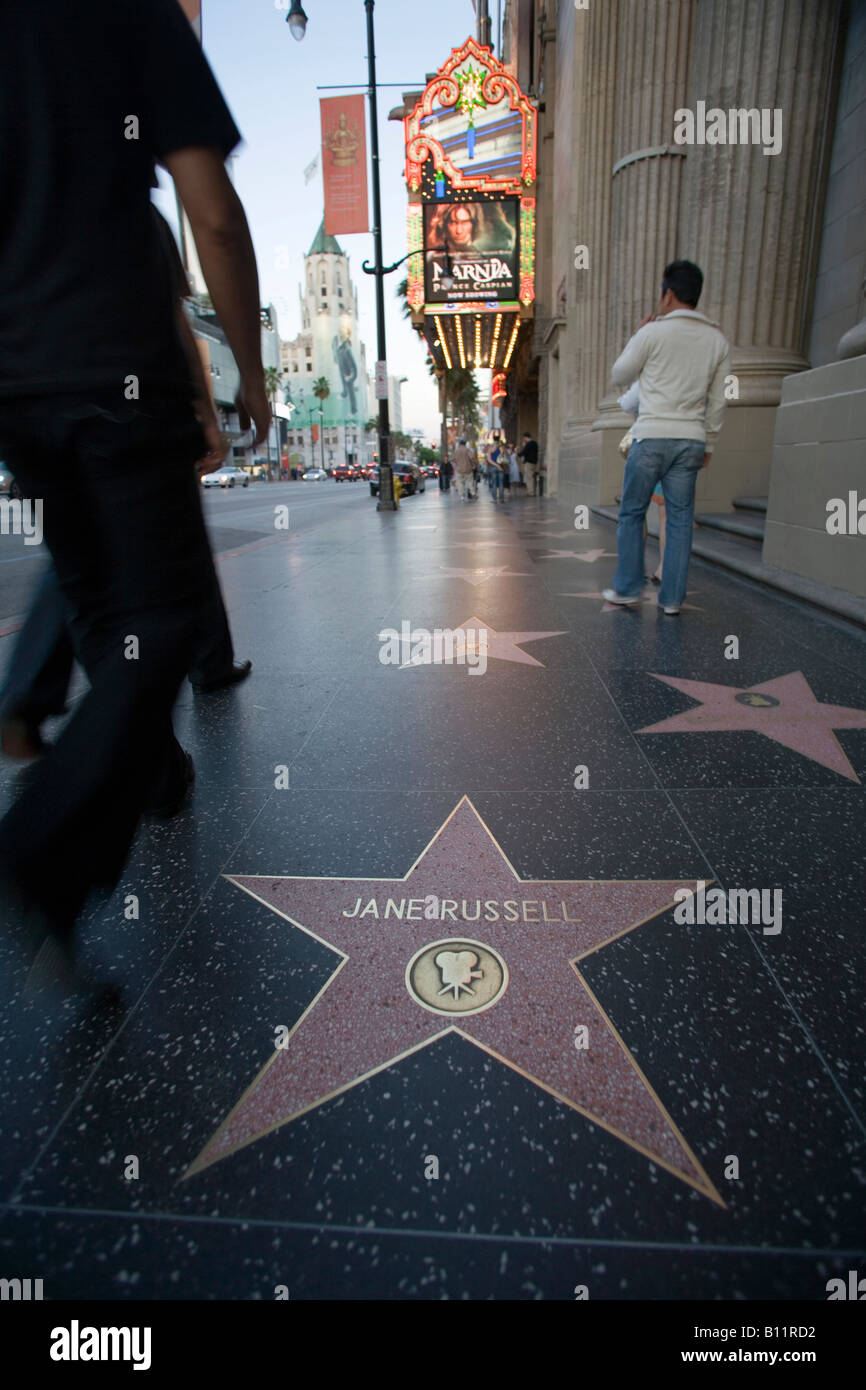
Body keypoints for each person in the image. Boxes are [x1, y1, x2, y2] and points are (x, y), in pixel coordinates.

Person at [0, 0, 270, 989]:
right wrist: (248, 367)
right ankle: (40, 848)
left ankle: (130, 804)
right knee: (159, 620)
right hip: (115, 364)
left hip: (17, 382)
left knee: (103, 614)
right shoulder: (128, 15)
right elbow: (210, 209)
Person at [603, 259, 730, 616]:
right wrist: (711, 442)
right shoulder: (717, 340)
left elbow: (620, 374)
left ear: (668, 294)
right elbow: (719, 401)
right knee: (678, 520)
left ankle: (628, 588)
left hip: (652, 436)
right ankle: (672, 599)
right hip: (690, 439)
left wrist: (638, 334)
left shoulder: (652, 333)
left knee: (631, 513)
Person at [618, 382, 666, 583]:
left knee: (635, 512)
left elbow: (626, 403)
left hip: (646, 445)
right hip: (680, 442)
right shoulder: (688, 369)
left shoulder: (649, 377)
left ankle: (633, 572)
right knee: (669, 517)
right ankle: (665, 569)